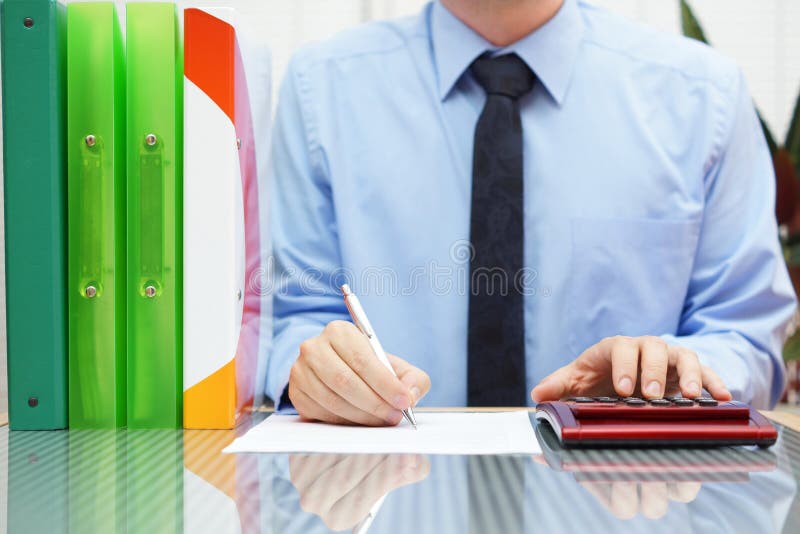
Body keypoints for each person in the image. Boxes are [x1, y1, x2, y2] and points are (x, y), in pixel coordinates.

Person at [267, 0, 797, 425]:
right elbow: (290, 321)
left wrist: (674, 373)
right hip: (385, 504)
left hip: (630, 504)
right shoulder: (320, 92)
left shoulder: (703, 97)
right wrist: (313, 372)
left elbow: (745, 335)